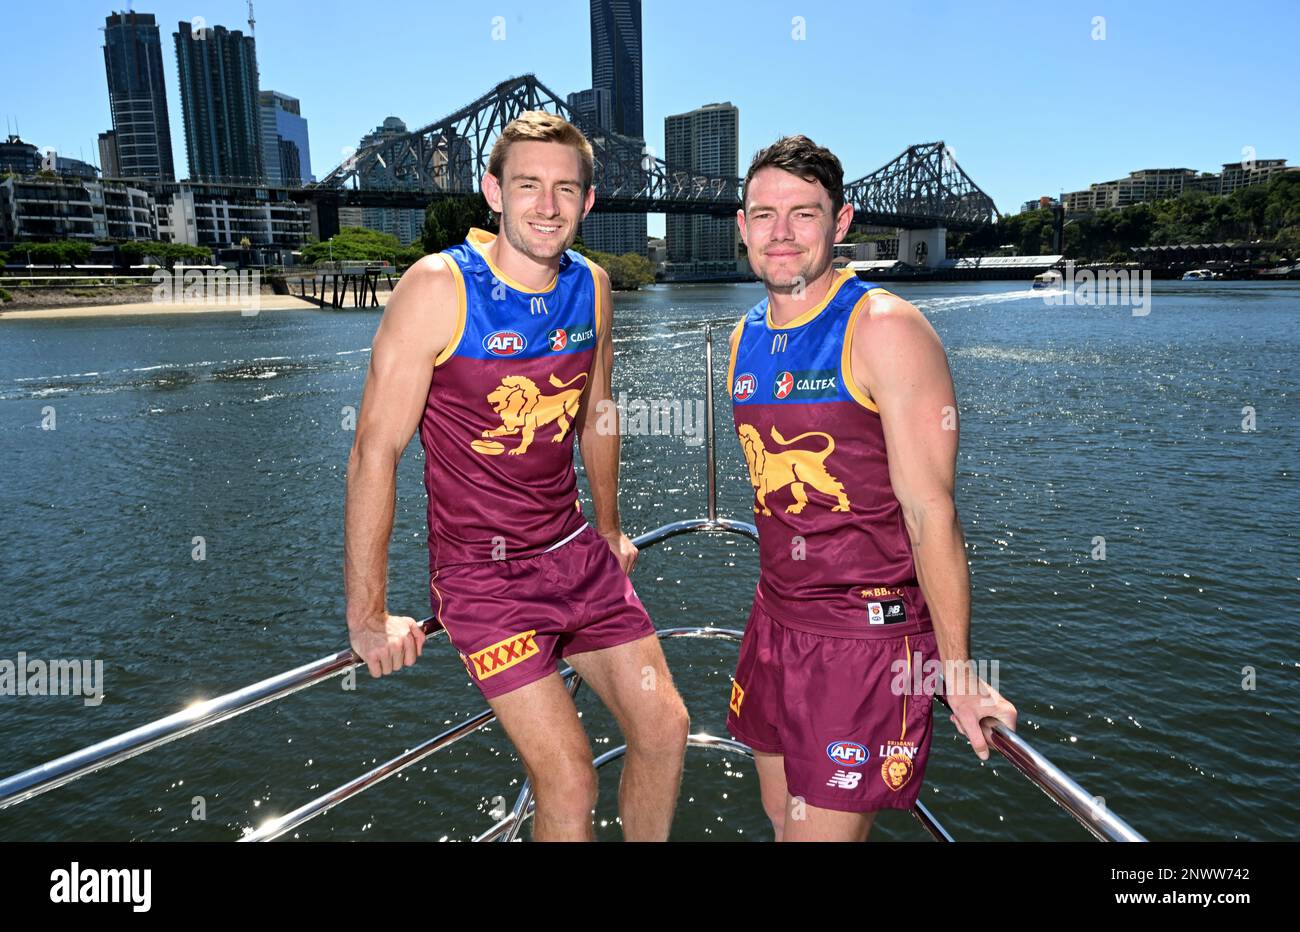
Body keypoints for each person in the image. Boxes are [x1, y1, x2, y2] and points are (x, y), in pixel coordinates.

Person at [344, 111, 689, 841]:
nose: (547, 205)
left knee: (665, 727)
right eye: (527, 185)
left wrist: (612, 526)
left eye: (566, 189)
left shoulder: (592, 286)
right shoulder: (438, 288)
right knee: (568, 778)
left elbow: (597, 410)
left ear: (588, 202)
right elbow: (376, 451)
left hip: (573, 555)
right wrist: (367, 615)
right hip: (482, 577)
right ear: (492, 192)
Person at [724, 135, 1017, 841]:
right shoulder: (745, 335)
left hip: (865, 642)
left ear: (842, 222)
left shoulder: (883, 328)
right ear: (742, 228)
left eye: (804, 214)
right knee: (777, 816)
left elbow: (929, 512)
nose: (782, 233)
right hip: (774, 622)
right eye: (764, 215)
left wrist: (957, 670)